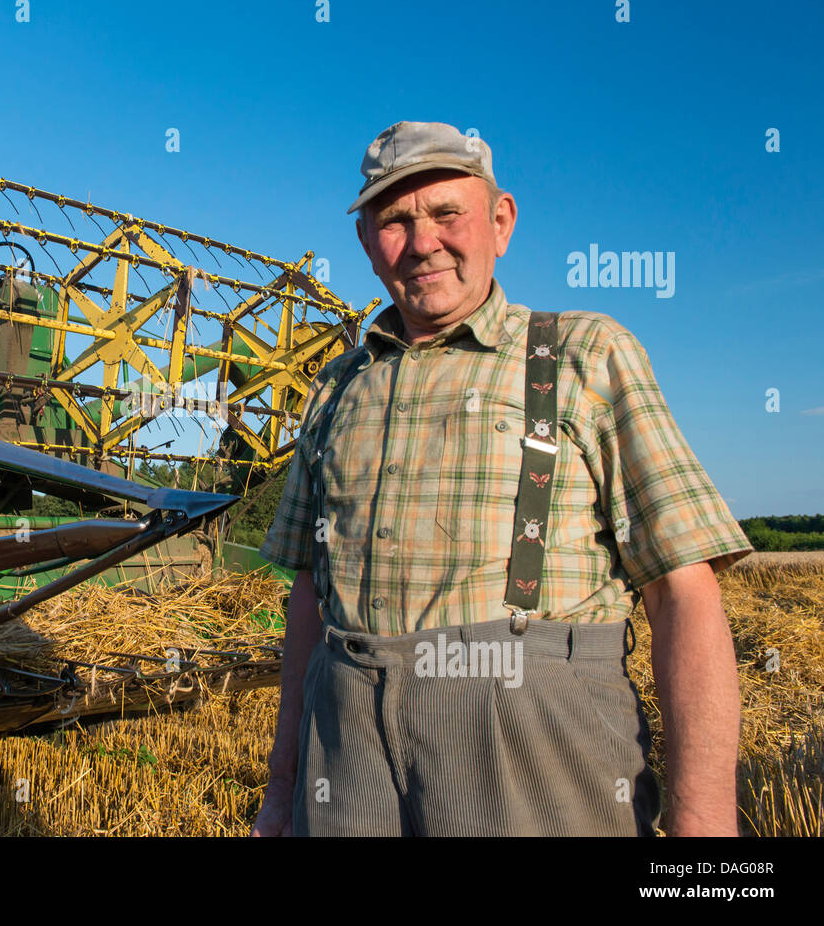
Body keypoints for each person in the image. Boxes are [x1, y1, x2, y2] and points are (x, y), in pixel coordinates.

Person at [250, 121, 753, 837]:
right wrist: (282, 790)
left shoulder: (584, 354)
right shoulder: (336, 389)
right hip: (346, 744)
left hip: (530, 747)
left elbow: (682, 589)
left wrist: (705, 824)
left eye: (446, 212)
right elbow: (308, 595)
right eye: (394, 220)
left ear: (501, 221)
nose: (422, 241)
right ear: (366, 243)